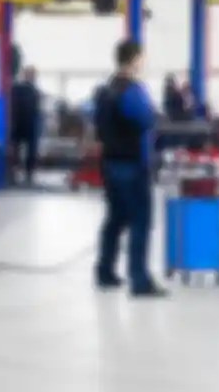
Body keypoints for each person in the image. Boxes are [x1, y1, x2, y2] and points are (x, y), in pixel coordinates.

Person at [94, 40, 166, 298]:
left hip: (110, 162)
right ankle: (140, 280)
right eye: (142, 58)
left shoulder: (106, 89)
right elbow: (147, 119)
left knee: (115, 219)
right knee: (140, 221)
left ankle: (105, 271)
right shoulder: (132, 90)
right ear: (135, 59)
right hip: (132, 164)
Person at [10, 66, 43, 185]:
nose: (32, 77)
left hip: (31, 124)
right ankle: (13, 172)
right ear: (24, 74)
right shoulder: (17, 88)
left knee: (31, 150)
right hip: (19, 123)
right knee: (16, 149)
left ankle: (29, 173)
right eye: (30, 74)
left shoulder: (35, 90)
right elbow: (13, 106)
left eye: (33, 74)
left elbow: (37, 108)